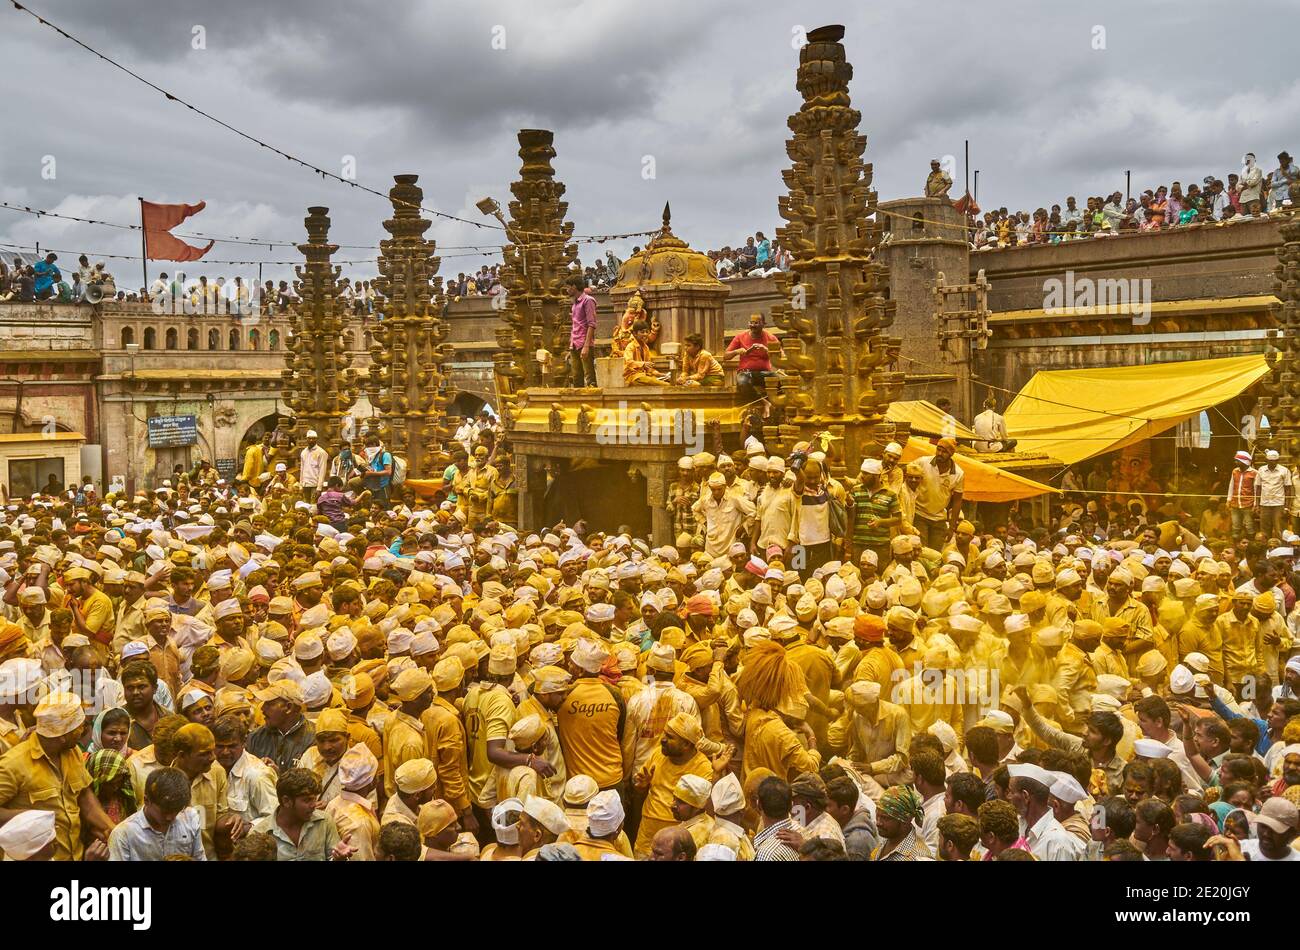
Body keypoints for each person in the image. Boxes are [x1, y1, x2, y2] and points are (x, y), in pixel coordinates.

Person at [107, 766, 205, 861]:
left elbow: (199, 858)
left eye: (177, 810)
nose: (170, 817)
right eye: (165, 811)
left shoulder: (190, 817)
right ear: (147, 800)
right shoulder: (123, 834)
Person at [724, 314, 781, 404]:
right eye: (751, 322)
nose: (753, 325)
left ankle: (778, 406)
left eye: (756, 323)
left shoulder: (771, 338)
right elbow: (725, 356)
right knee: (743, 383)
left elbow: (781, 356)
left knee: (782, 382)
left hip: (764, 373)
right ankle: (764, 403)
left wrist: (766, 349)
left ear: (763, 324)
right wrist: (736, 351)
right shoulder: (740, 337)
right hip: (745, 372)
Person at [567, 275, 597, 388]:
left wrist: (586, 346)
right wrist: (571, 346)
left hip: (584, 344)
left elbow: (591, 324)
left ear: (574, 287)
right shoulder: (575, 303)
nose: (567, 290)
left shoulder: (588, 301)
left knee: (589, 378)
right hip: (574, 344)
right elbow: (576, 325)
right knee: (576, 378)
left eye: (568, 287)